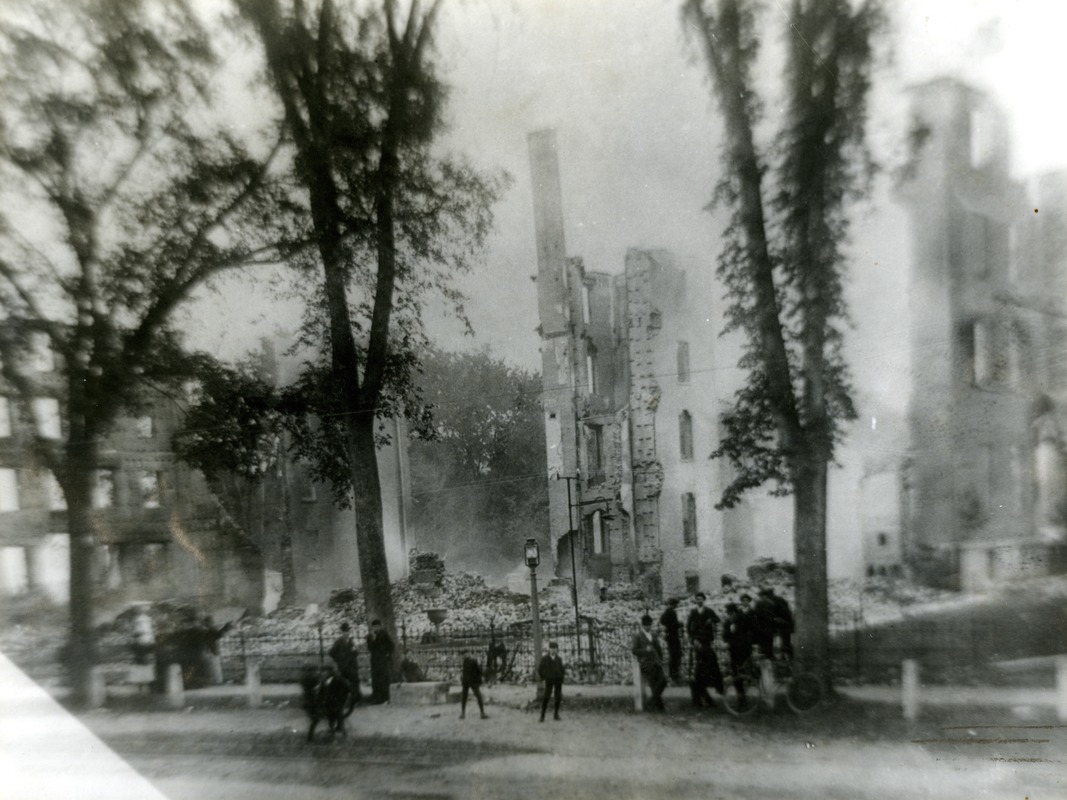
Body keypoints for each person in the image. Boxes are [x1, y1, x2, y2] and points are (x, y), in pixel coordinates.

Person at [686, 592, 724, 708]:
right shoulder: (693, 611)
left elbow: (717, 619)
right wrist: (693, 639)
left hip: (706, 640)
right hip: (697, 640)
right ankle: (698, 698)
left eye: (701, 599)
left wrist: (711, 620)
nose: (699, 601)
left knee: (708, 664)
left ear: (704, 600)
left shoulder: (708, 611)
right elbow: (688, 626)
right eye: (697, 599)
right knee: (697, 667)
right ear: (695, 600)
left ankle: (713, 687)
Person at [631, 614, 667, 711]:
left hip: (655, 662)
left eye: (649, 625)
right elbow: (634, 650)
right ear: (642, 625)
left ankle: (651, 703)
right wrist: (645, 650)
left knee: (663, 680)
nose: (648, 627)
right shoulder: (637, 636)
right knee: (654, 683)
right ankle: (659, 706)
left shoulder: (653, 635)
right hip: (645, 663)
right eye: (646, 625)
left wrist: (661, 659)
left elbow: (658, 649)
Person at [329, 622, 363, 709]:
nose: (347, 633)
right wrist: (339, 660)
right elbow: (331, 652)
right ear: (342, 632)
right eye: (345, 631)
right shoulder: (339, 641)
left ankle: (355, 700)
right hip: (344, 667)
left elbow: (356, 653)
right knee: (344, 684)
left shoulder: (351, 641)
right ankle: (345, 700)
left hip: (352, 666)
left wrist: (354, 651)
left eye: (348, 631)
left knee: (355, 682)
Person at [722, 602, 752, 697]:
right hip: (734, 651)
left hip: (743, 649)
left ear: (735, 612)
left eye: (731, 613)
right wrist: (729, 634)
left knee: (742, 672)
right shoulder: (728, 622)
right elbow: (725, 636)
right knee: (736, 673)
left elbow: (747, 635)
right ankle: (741, 695)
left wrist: (734, 632)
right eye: (729, 614)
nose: (730, 616)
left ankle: (745, 692)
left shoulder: (743, 619)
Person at [366, 619, 395, 704]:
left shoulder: (384, 634)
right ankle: (376, 696)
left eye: (377, 626)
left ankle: (384, 697)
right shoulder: (370, 636)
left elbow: (391, 645)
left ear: (380, 626)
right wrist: (372, 640)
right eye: (374, 627)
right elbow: (370, 648)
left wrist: (388, 655)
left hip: (382, 661)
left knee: (383, 679)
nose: (376, 628)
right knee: (375, 679)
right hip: (375, 661)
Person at [761, 587, 795, 659]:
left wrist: (780, 619)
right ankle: (776, 654)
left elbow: (785, 612)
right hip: (776, 623)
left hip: (783, 623)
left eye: (765, 596)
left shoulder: (778, 600)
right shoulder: (771, 601)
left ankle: (787, 655)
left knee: (785, 639)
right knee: (778, 638)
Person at [537, 641, 565, 722]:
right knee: (546, 697)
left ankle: (556, 714)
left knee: (558, 697)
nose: (553, 650)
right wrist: (544, 677)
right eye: (551, 649)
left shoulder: (559, 659)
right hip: (549, 680)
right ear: (549, 649)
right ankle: (542, 715)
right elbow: (540, 669)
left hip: (558, 680)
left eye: (555, 649)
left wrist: (561, 677)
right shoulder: (545, 658)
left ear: (557, 650)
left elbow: (562, 669)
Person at [659, 598, 682, 683]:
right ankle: (674, 675)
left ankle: (673, 674)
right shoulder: (672, 611)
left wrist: (667, 626)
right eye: (676, 604)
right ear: (674, 604)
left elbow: (662, 620)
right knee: (675, 656)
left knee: (673, 655)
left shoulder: (666, 611)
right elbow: (675, 624)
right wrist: (679, 624)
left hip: (669, 636)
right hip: (673, 636)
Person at [459, 651, 488, 720]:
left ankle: (463, 713)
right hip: (473, 681)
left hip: (465, 681)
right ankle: (482, 713)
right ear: (469, 654)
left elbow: (464, 672)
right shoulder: (474, 660)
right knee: (478, 696)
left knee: (464, 696)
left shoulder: (465, 661)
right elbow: (479, 671)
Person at [749, 590, 777, 659]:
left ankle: (763, 654)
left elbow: (754, 613)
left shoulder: (758, 603)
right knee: (769, 640)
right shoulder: (772, 603)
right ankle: (770, 655)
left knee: (762, 640)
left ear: (762, 596)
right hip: (770, 625)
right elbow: (774, 615)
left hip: (761, 625)